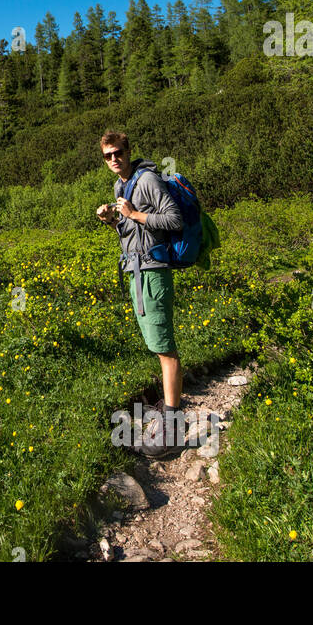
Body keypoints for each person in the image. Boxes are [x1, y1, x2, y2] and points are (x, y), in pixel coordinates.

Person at [95, 130, 186, 458]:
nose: (114, 159)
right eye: (108, 155)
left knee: (164, 347)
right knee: (156, 343)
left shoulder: (146, 180)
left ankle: (173, 432)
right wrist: (113, 221)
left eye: (118, 152)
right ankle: (169, 411)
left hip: (153, 272)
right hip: (137, 271)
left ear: (129, 150)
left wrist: (133, 213)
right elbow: (131, 232)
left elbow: (174, 219)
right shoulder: (122, 185)